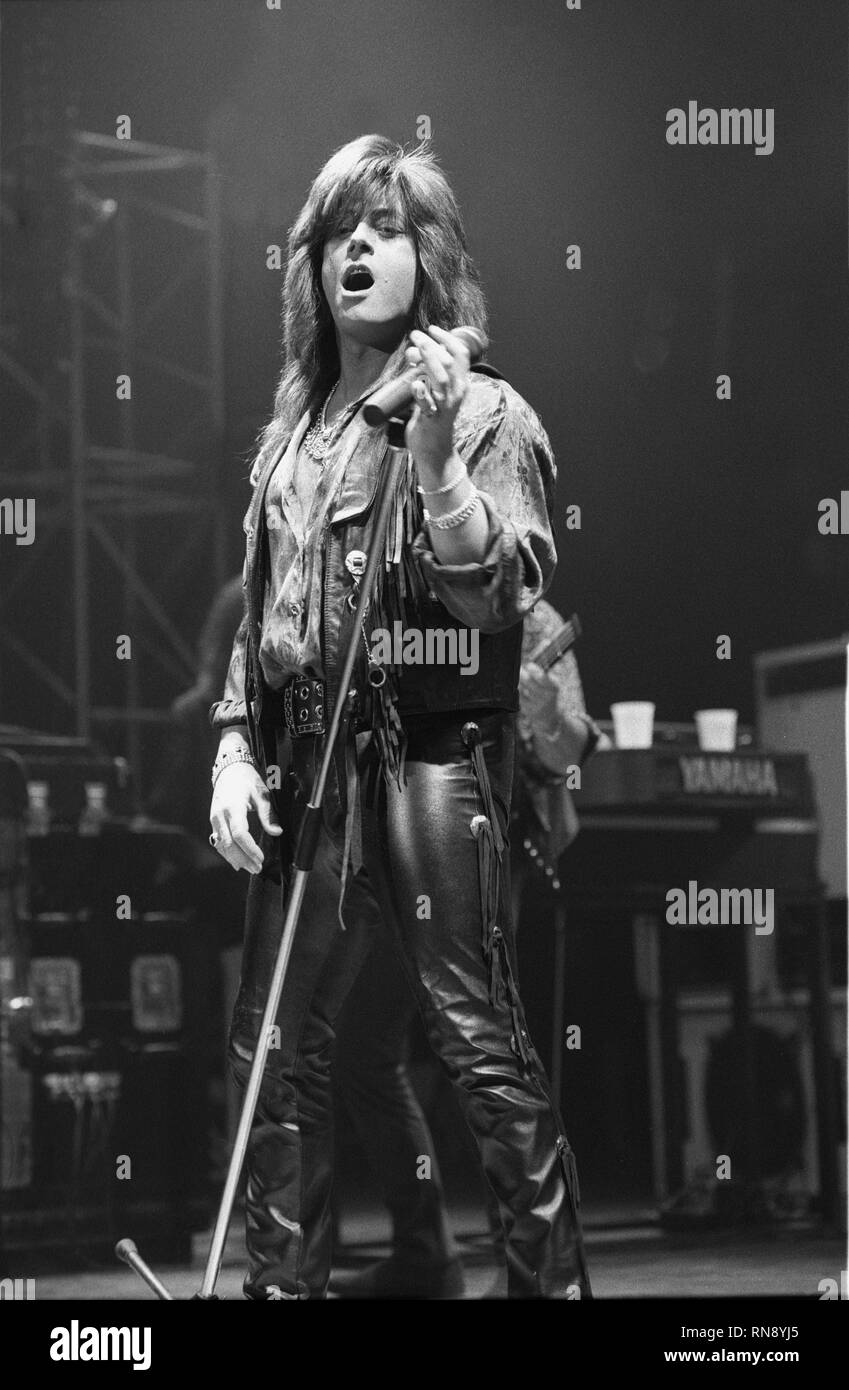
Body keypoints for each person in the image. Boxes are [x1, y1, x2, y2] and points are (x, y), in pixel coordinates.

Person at [208, 133, 591, 1299]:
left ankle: (546, 1289)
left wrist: (434, 465)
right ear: (310, 265)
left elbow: (499, 589)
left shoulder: (479, 407)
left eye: (383, 230)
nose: (356, 250)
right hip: (304, 762)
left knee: (475, 1038)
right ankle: (285, 1287)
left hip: (427, 752)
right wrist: (232, 743)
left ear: (428, 256)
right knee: (277, 1052)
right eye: (337, 233)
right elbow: (263, 617)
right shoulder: (290, 439)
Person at [332, 600, 606, 1298]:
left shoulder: (528, 616)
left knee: (480, 1047)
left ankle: (527, 1265)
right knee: (364, 1044)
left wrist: (540, 713)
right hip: (388, 834)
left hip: (485, 841)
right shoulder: (381, 590)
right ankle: (426, 1250)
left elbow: (568, 748)